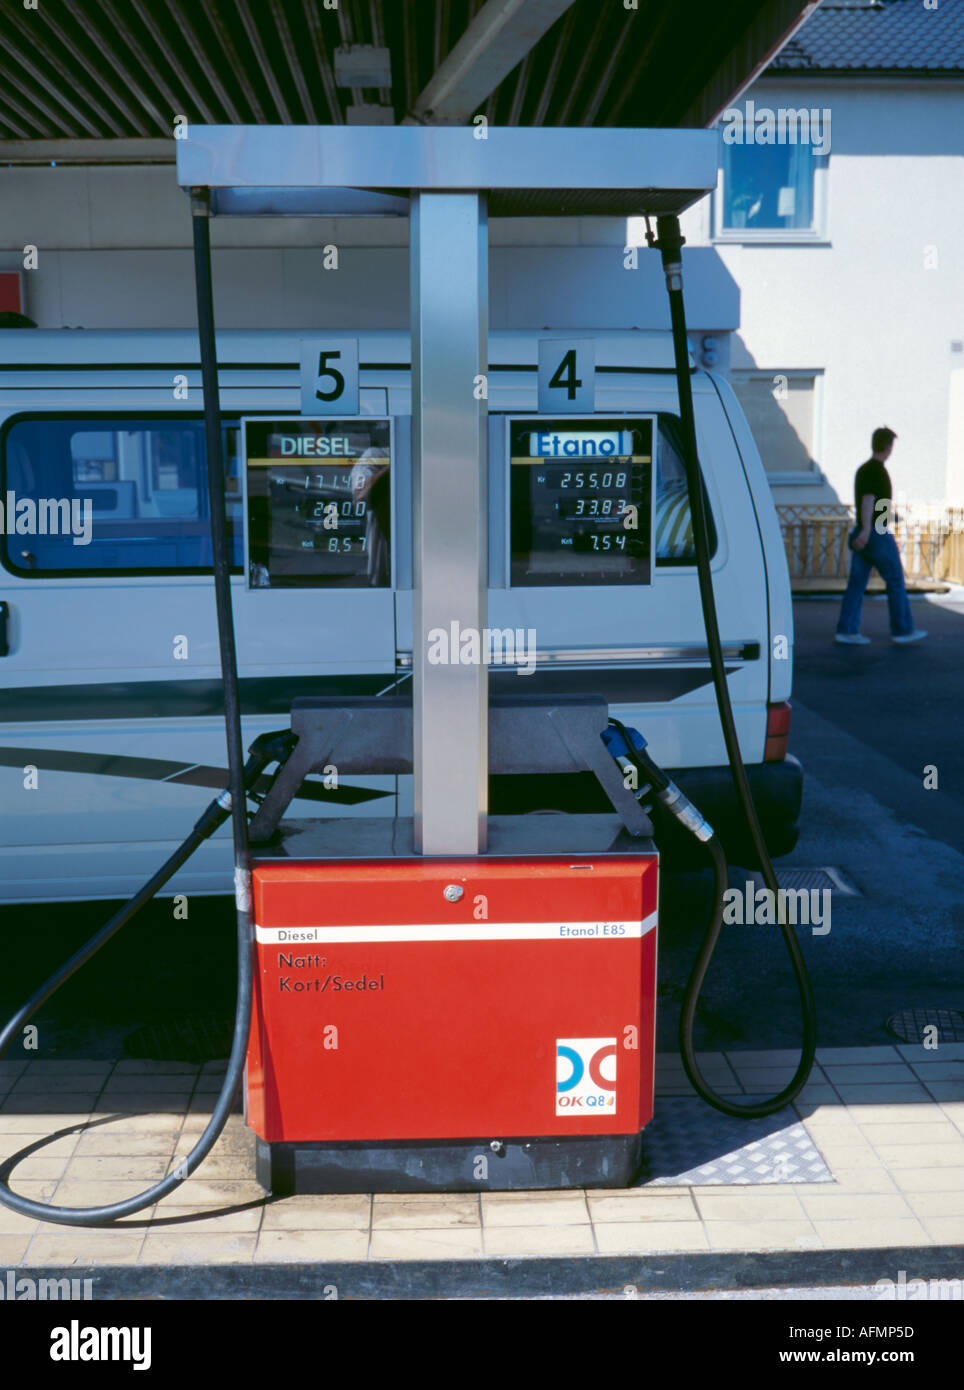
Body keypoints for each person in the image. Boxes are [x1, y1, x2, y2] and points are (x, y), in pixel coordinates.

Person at [835, 427, 926, 645]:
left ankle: (846, 629)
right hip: (875, 532)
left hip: (868, 530)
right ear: (888, 447)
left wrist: (891, 517)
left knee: (857, 583)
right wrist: (868, 530)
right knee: (895, 579)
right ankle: (902, 630)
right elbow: (868, 500)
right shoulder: (877, 471)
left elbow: (873, 503)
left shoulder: (865, 470)